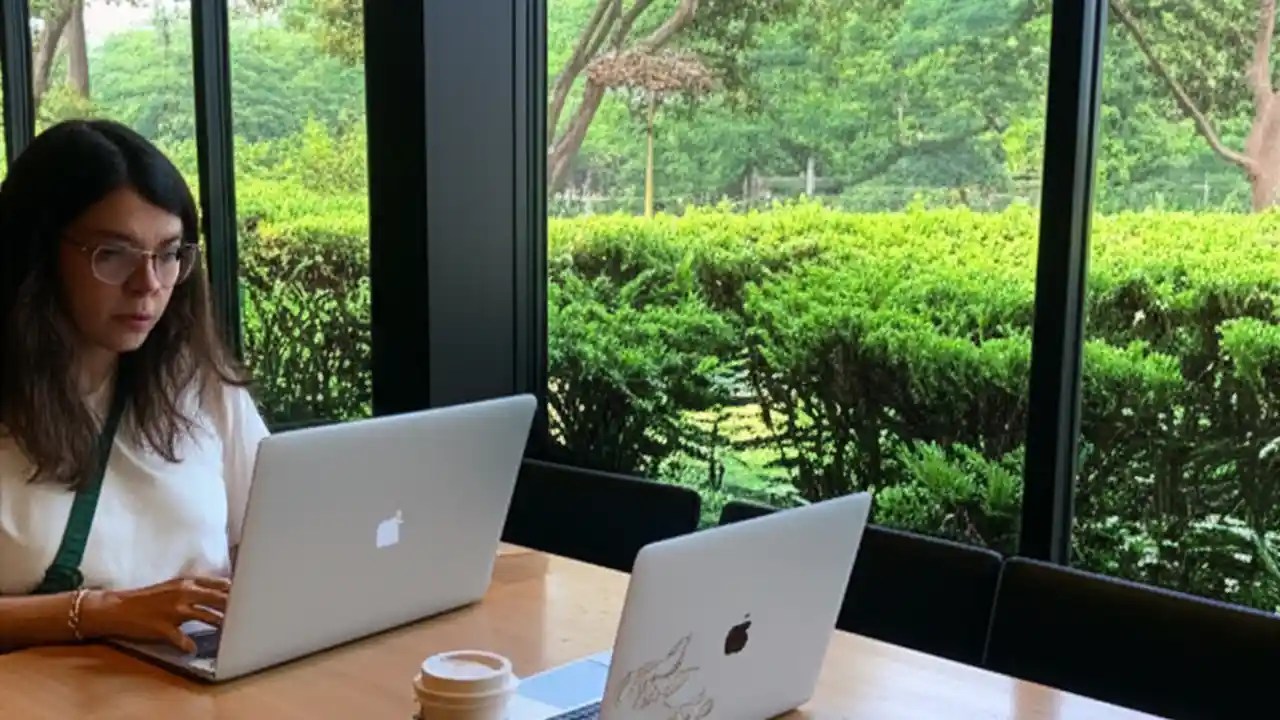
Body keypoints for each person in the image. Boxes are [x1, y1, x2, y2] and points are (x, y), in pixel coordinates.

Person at [0, 120, 268, 654]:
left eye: (169, 253)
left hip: (199, 685)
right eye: (114, 254)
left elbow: (279, 546)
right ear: (37, 256)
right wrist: (97, 613)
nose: (148, 284)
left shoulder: (198, 386)